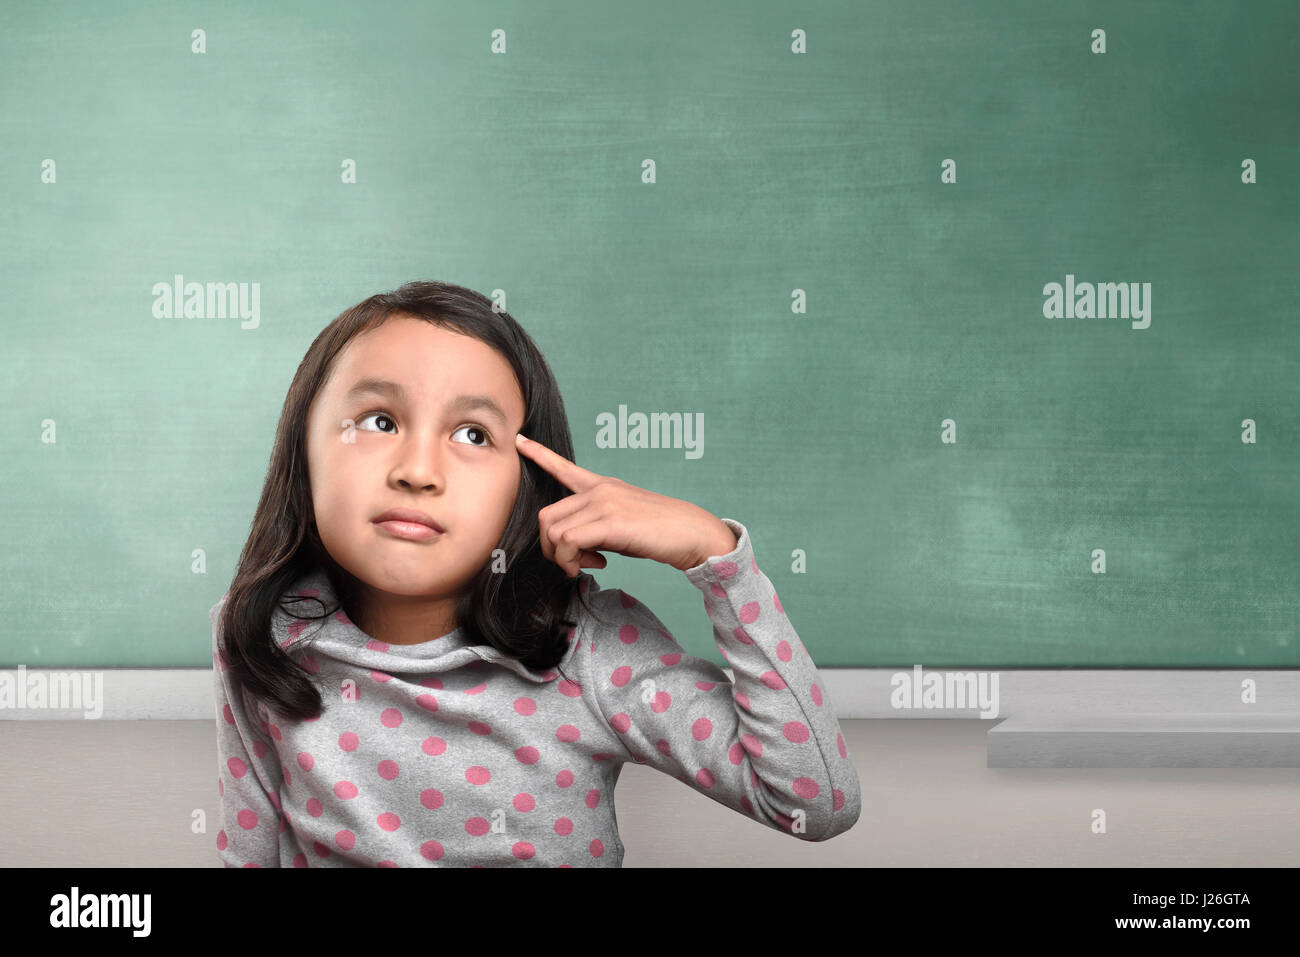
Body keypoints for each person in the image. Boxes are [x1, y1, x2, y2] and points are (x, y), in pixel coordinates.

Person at [211, 280, 861, 866]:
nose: (416, 469)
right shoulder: (264, 637)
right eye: (380, 421)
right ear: (304, 450)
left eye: (472, 435)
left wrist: (717, 558)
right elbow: (249, 856)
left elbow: (815, 799)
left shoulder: (590, 650)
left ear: (528, 490)